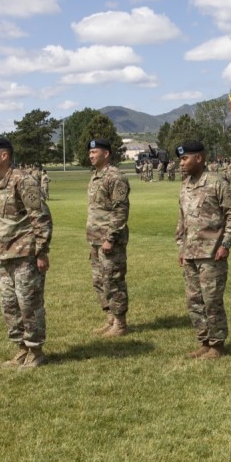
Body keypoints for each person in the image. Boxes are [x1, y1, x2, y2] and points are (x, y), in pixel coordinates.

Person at [0, 136, 52, 369]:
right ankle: (21, 348)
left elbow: (41, 217)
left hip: (25, 254)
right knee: (9, 305)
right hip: (4, 254)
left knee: (28, 303)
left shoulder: (23, 181)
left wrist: (42, 252)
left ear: (4, 156)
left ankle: (36, 350)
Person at [175, 140, 231, 359]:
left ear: (199, 158)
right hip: (191, 254)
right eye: (180, 159)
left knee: (212, 300)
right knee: (194, 301)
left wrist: (225, 244)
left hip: (212, 254)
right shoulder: (185, 184)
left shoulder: (217, 183)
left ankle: (217, 345)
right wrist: (181, 247)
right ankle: (204, 341)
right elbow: (182, 220)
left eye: (185, 158)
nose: (181, 163)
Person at [86, 138, 130, 338]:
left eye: (95, 152)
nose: (91, 155)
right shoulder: (95, 177)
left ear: (106, 154)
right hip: (95, 239)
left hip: (109, 241)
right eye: (90, 152)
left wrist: (110, 238)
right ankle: (110, 319)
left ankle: (120, 323)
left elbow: (120, 211)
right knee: (99, 281)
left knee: (113, 281)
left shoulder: (116, 177)